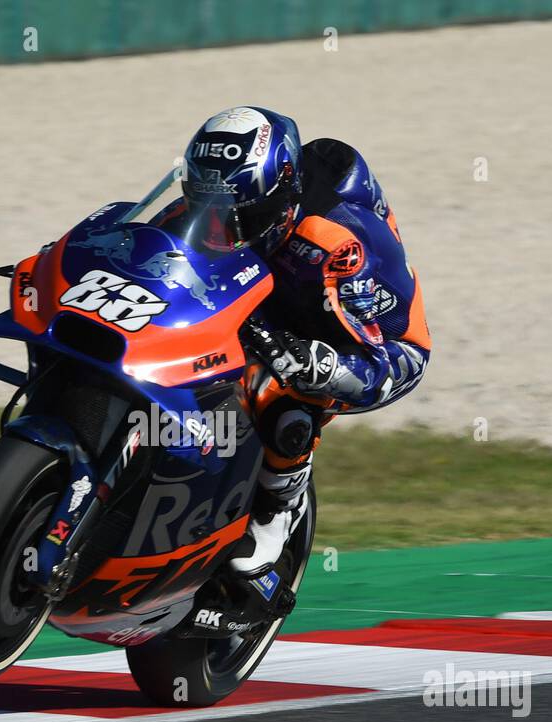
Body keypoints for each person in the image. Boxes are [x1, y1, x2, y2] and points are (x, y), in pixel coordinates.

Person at [169, 106, 432, 576]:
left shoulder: (335, 247)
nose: (217, 228)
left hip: (373, 345)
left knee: (278, 384)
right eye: (206, 208)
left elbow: (375, 361)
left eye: (236, 216)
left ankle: (278, 508)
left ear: (280, 199)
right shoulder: (224, 201)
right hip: (268, 295)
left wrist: (317, 363)